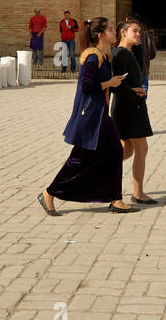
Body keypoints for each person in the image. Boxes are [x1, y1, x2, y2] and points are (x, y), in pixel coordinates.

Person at [39, 17, 135, 215]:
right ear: (101, 35)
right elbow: (87, 86)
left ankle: (115, 198)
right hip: (92, 117)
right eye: (110, 30)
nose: (114, 33)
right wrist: (110, 83)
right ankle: (49, 192)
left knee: (114, 152)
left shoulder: (104, 55)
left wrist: (128, 89)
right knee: (80, 158)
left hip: (100, 115)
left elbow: (107, 84)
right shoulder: (93, 57)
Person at [112, 19, 156, 204]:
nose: (139, 35)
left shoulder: (130, 52)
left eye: (140, 32)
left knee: (127, 150)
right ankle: (138, 193)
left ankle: (99, 173)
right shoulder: (119, 54)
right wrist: (132, 92)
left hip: (132, 106)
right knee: (141, 148)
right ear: (123, 32)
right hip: (127, 108)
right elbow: (114, 84)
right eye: (135, 31)